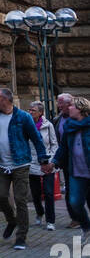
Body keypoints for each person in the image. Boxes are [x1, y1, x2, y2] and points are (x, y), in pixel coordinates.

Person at [0, 87, 51, 251]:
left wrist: (43, 159)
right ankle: (12, 220)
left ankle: (21, 237)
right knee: (0, 196)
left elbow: (36, 138)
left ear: (6, 100)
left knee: (20, 200)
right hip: (0, 164)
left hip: (20, 164)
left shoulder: (23, 117)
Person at [53, 96, 90, 239]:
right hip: (76, 171)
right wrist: (54, 162)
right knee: (75, 202)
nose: (69, 108)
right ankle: (86, 228)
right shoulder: (69, 127)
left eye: (72, 106)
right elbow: (63, 148)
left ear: (81, 109)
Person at [28, 100, 57, 230]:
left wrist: (51, 160)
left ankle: (50, 221)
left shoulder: (48, 125)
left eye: (33, 110)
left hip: (47, 162)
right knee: (35, 193)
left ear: (40, 112)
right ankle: (40, 213)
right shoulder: (27, 125)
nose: (30, 112)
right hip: (32, 162)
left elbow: (54, 144)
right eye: (29, 110)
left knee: (49, 192)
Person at [54, 93, 77, 227]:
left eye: (61, 102)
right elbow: (60, 142)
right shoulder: (58, 119)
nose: (58, 105)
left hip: (82, 159)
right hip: (67, 160)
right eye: (58, 102)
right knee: (70, 189)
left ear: (69, 104)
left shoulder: (81, 118)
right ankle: (75, 218)